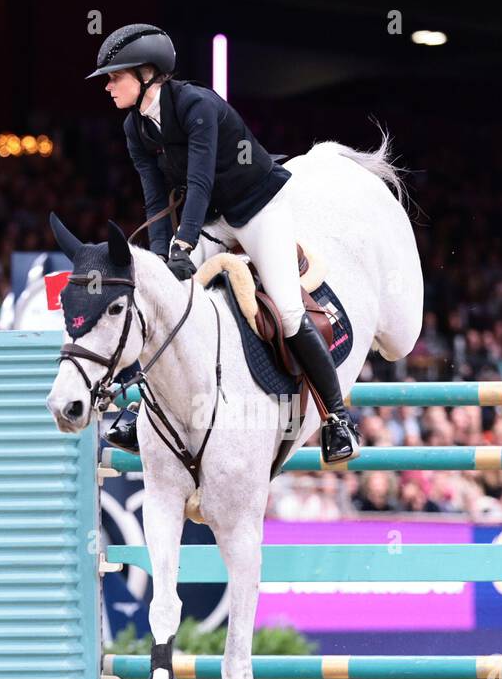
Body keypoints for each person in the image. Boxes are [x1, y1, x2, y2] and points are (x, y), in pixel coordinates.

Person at [87, 24, 359, 465]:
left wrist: (184, 244)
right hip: (214, 218)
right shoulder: (135, 128)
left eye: (114, 76)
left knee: (288, 312)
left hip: (257, 209)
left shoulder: (197, 105)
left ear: (147, 75)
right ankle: (141, 408)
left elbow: (199, 180)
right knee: (160, 301)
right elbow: (156, 199)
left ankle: (338, 420)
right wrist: (162, 258)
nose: (108, 86)